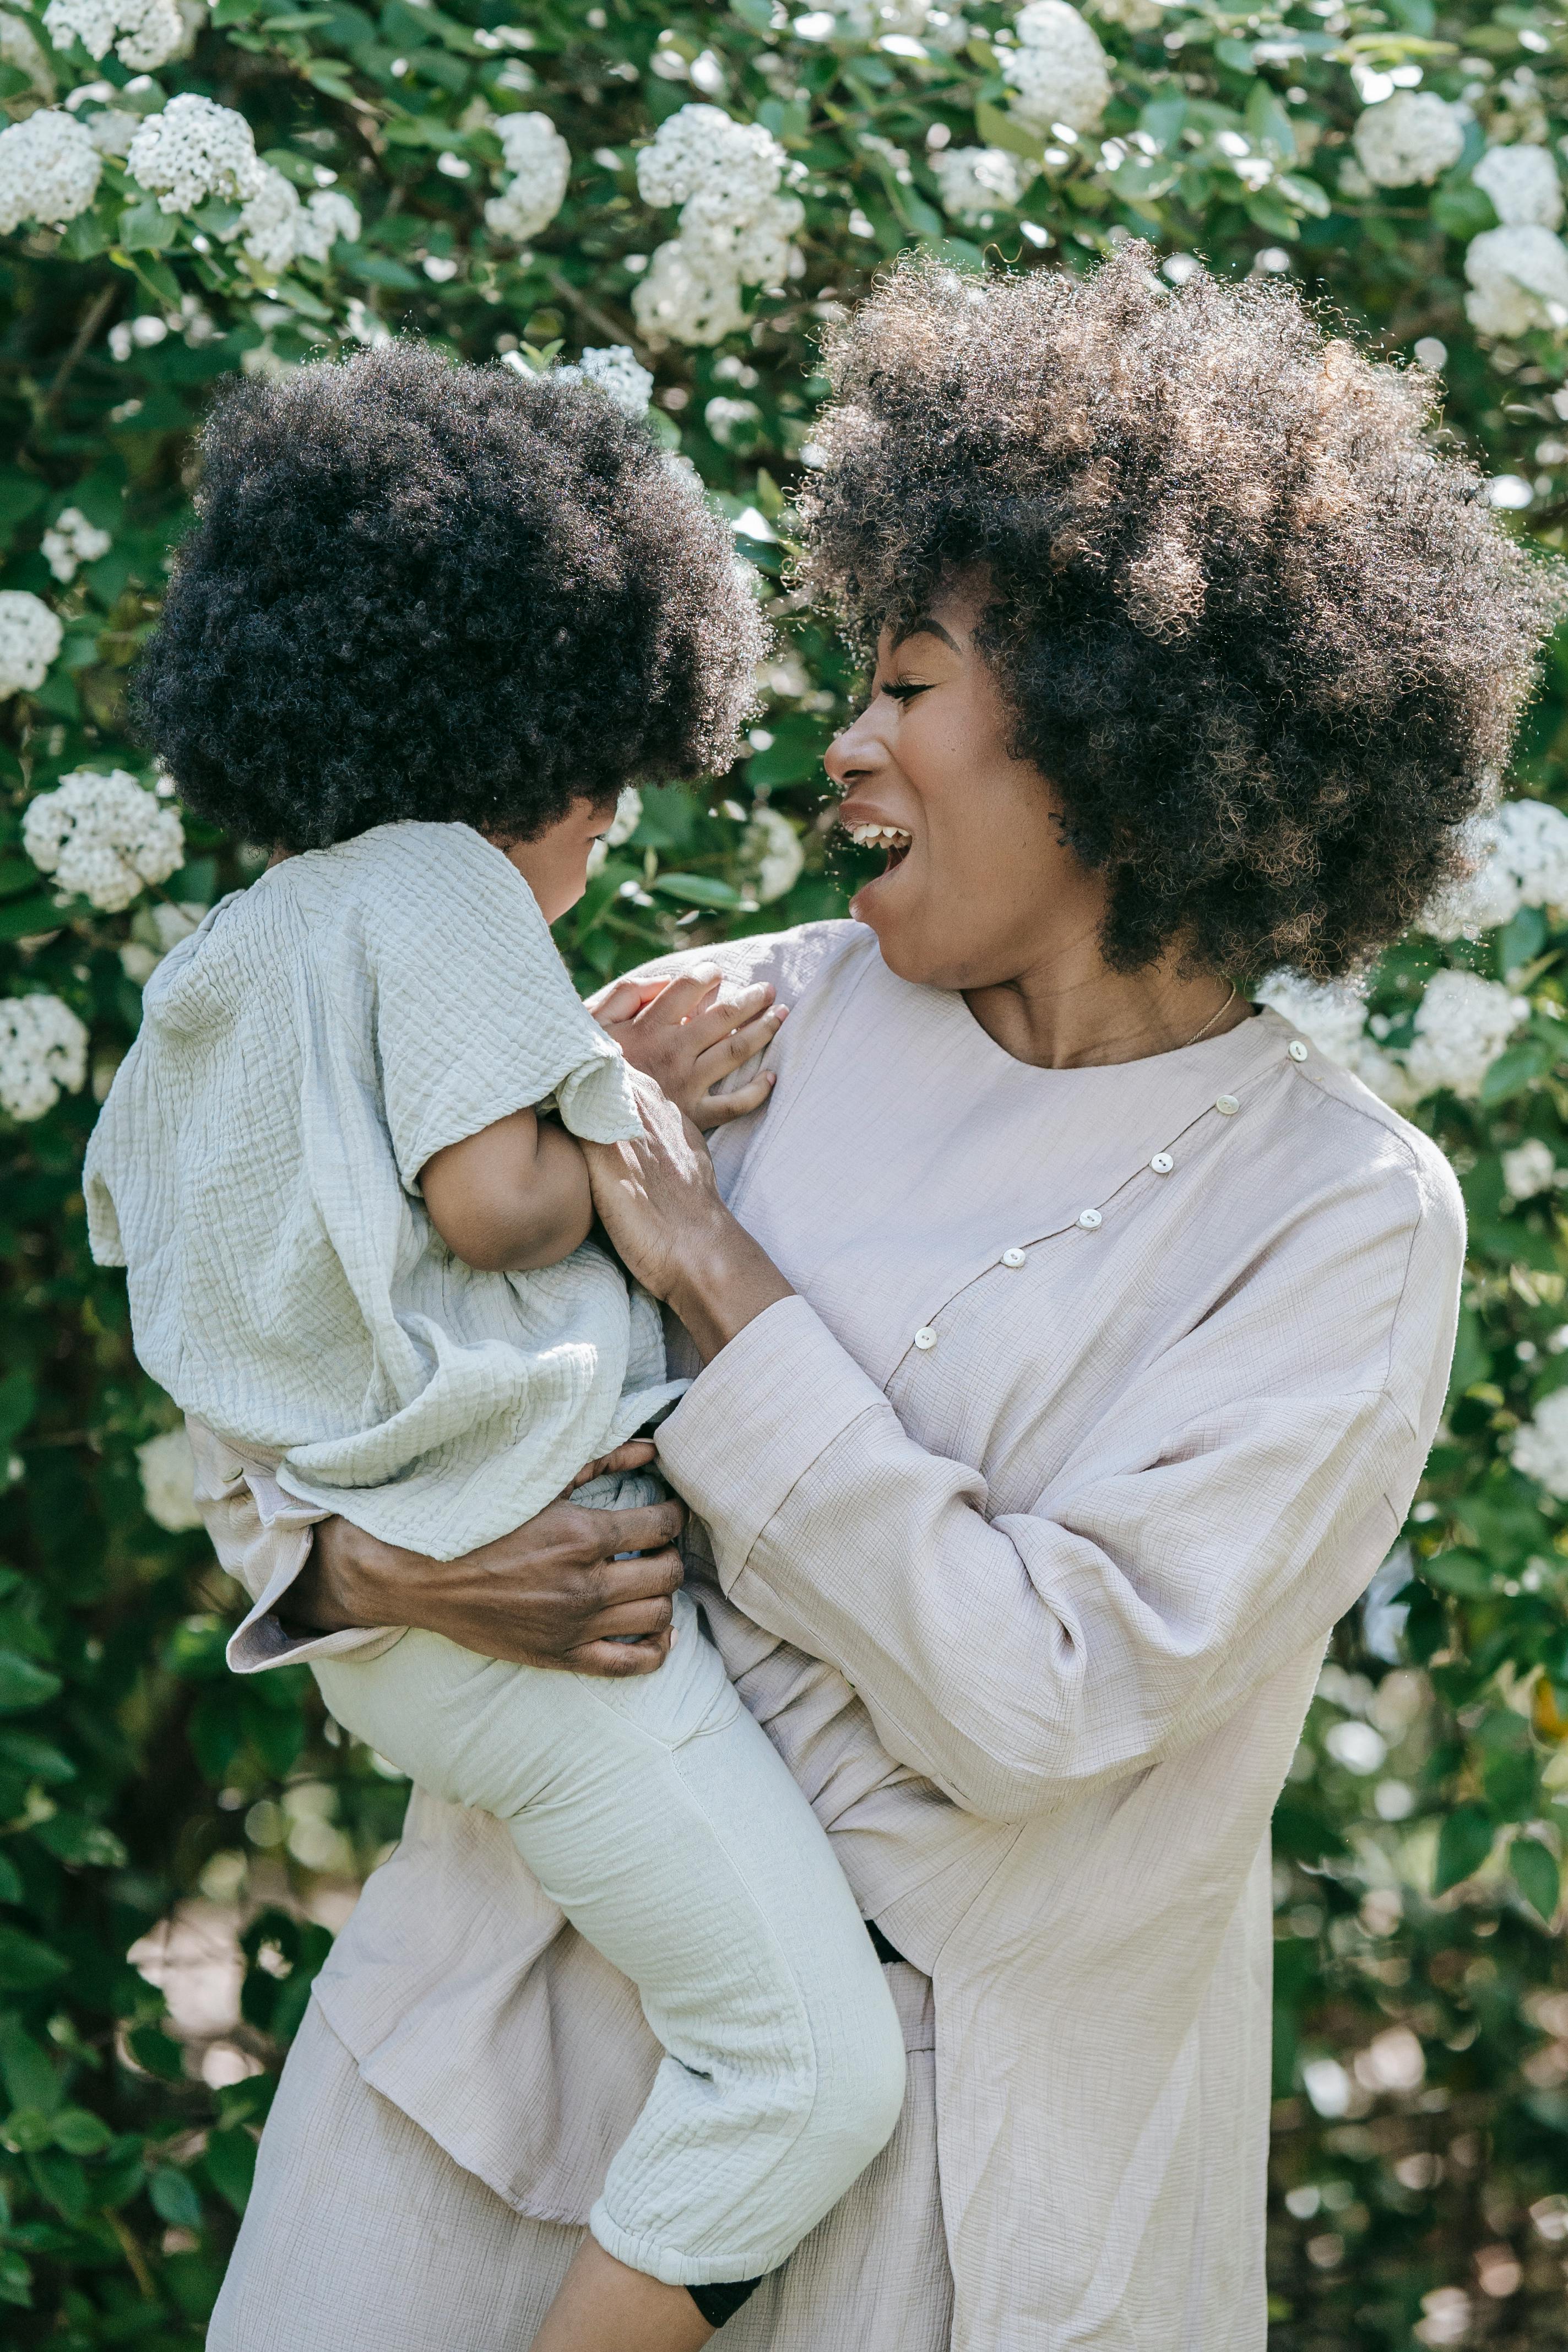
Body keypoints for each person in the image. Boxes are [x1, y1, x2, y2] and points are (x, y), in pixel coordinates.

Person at [192, 251, 1560, 2351]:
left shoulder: (1342, 1222)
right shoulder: (734, 1025)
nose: (845, 746)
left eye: (907, 686)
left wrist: (719, 1282)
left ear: (1120, 738)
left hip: (939, 2228)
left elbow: (1042, 1705)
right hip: (460, 2109)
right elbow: (287, 1352)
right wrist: (382, 1572)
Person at [86, 342, 908, 2352]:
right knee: (808, 2071)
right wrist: (640, 1117)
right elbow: (496, 1207)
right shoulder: (447, 882)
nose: (617, 835)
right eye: (615, 784)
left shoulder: (242, 952)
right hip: (552, 1614)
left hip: (381, 1617)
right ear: (546, 730)